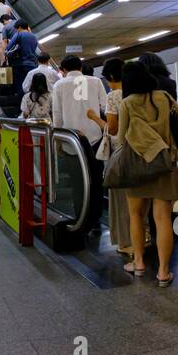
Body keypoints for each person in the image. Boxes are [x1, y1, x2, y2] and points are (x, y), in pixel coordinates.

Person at [116, 59, 178, 284]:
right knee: (163, 218)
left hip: (137, 166)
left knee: (136, 215)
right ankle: (164, 272)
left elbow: (121, 137)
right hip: (164, 164)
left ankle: (139, 264)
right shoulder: (164, 97)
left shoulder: (127, 103)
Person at [52, 55, 107, 234]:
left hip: (71, 141)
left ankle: (81, 217)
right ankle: (96, 217)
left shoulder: (59, 85)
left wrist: (57, 141)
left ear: (63, 69)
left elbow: (57, 115)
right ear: (81, 67)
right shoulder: (95, 81)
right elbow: (105, 107)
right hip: (95, 139)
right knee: (97, 179)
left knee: (78, 182)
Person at [91, 58, 133, 259]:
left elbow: (113, 128)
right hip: (138, 151)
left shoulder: (114, 96)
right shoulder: (135, 93)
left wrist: (93, 117)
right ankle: (143, 237)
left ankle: (126, 242)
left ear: (111, 77)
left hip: (120, 153)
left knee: (121, 200)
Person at [5, 20, 39, 89]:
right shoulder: (34, 36)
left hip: (20, 64)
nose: (17, 30)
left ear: (20, 27)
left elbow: (9, 47)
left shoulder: (19, 34)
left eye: (17, 29)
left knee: (20, 85)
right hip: (32, 64)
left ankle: (20, 98)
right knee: (30, 85)